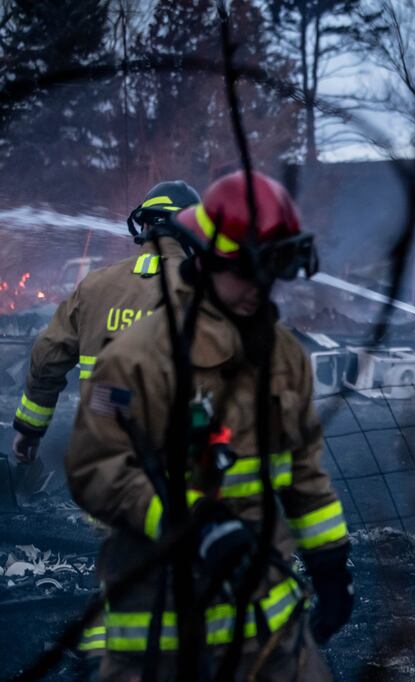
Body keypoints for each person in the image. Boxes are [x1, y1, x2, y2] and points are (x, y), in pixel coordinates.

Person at [65, 171, 352, 680]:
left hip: (269, 630)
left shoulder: (282, 355)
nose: (257, 290)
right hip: (163, 635)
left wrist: (330, 564)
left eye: (271, 271)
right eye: (244, 272)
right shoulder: (135, 358)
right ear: (203, 258)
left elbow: (305, 475)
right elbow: (96, 468)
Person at [11, 181, 199, 463]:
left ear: (144, 226)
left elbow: (47, 355)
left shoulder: (95, 286)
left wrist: (29, 429)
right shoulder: (206, 290)